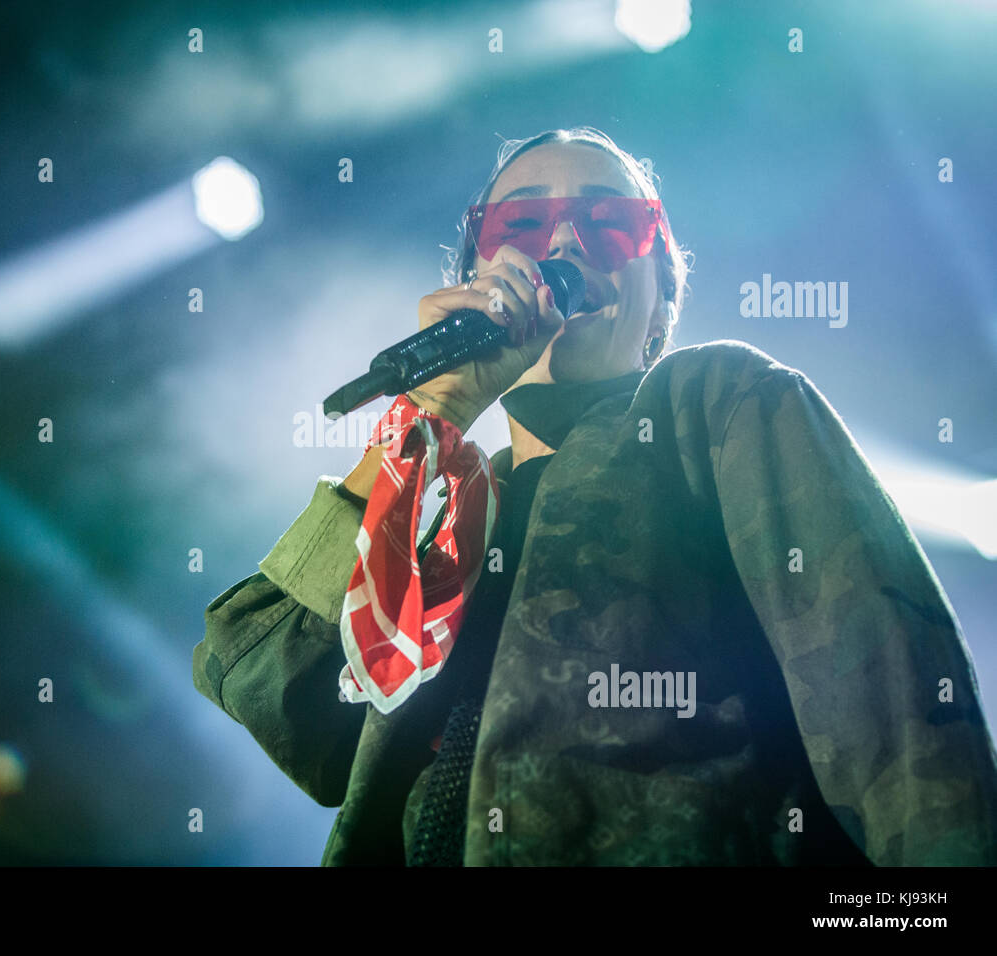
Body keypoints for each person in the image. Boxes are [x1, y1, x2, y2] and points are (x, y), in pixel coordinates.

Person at [193, 127, 997, 865]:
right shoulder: (442, 524)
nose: (567, 243)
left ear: (661, 310)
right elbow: (273, 690)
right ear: (477, 280)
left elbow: (901, 723)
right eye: (522, 228)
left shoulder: (715, 404)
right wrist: (431, 413)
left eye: (612, 224)